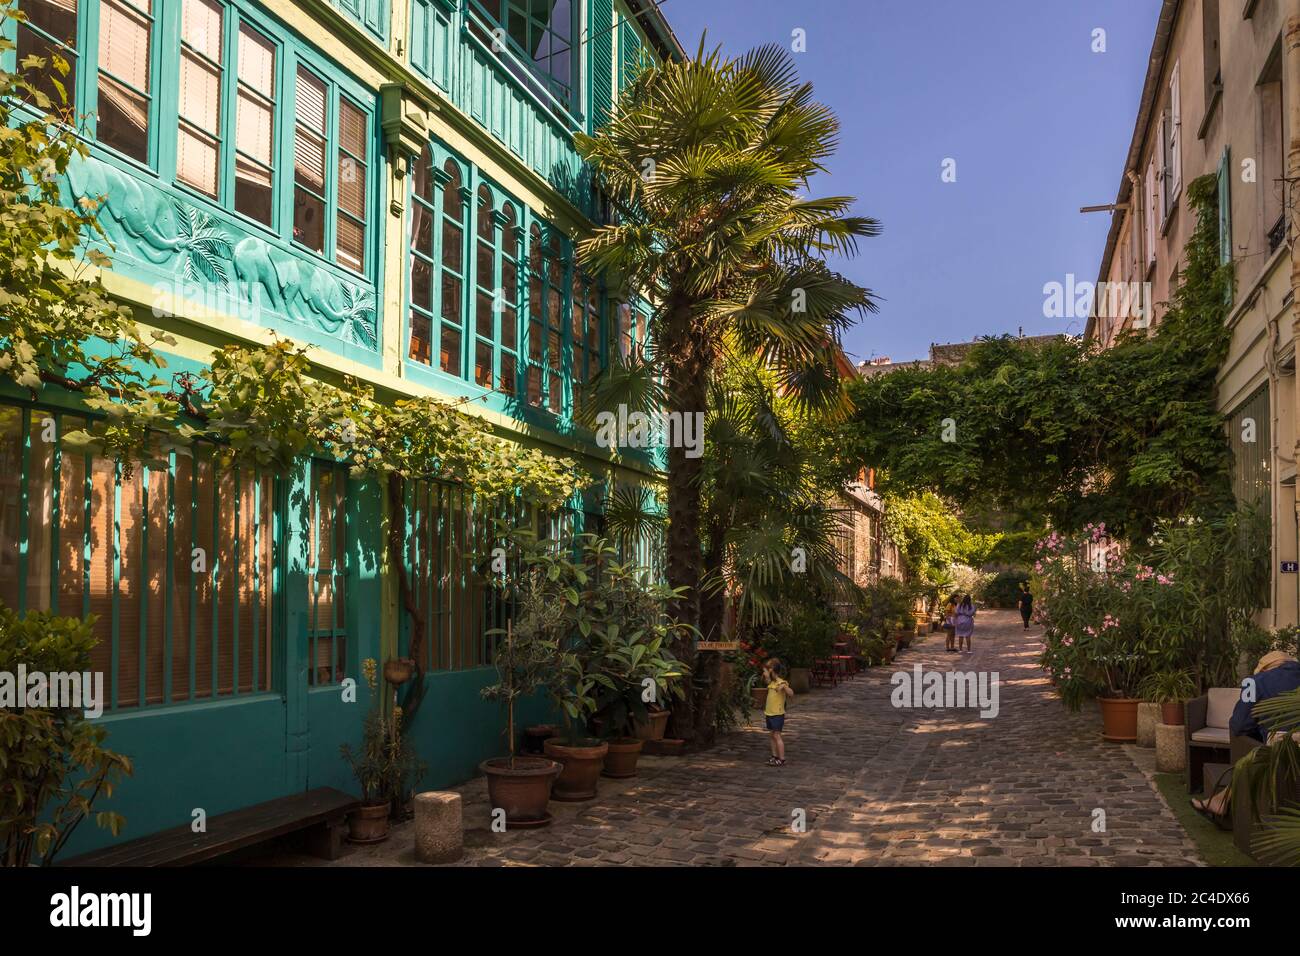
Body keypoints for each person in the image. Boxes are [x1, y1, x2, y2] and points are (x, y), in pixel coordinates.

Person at [1192, 651, 1300, 823]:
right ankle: (1221, 799)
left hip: (1281, 755)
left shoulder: (1255, 682)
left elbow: (1239, 725)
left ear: (1264, 669)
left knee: (1254, 755)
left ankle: (1223, 800)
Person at [762, 657, 795, 766]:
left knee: (777, 735)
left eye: (766, 670)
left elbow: (791, 694)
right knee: (772, 735)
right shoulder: (771, 683)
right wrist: (766, 676)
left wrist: (784, 687)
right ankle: (774, 756)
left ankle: (781, 758)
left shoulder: (782, 682)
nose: (764, 673)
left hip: (777, 714)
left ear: (771, 670)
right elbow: (767, 680)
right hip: (769, 713)